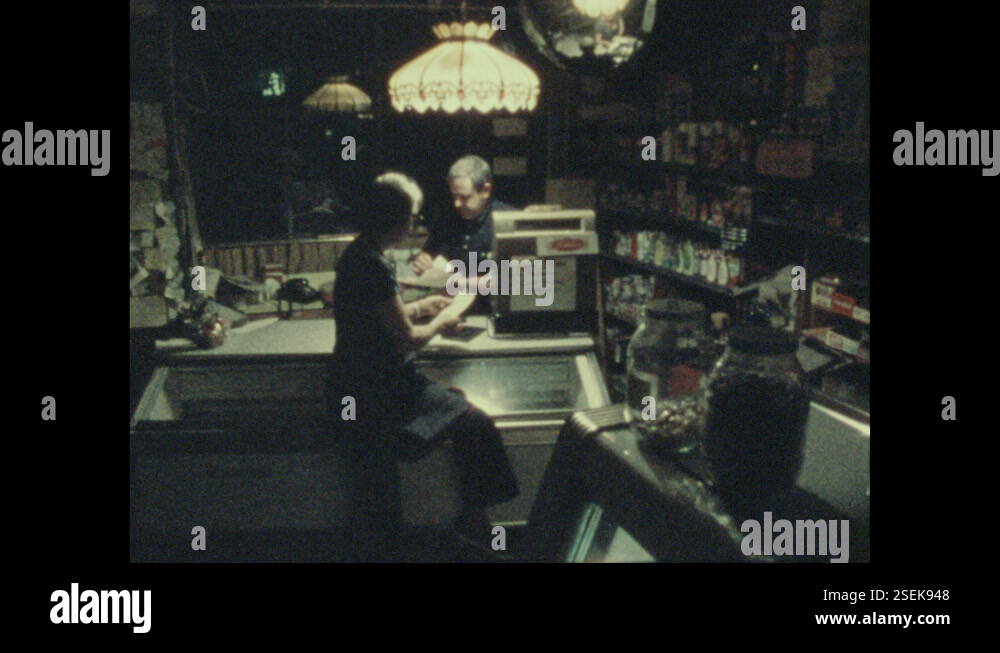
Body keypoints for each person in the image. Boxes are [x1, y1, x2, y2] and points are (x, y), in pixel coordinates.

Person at [327, 171, 519, 560]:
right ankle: (476, 520)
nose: (414, 224)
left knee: (379, 493)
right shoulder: (374, 265)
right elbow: (409, 339)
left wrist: (418, 307)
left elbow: (377, 315)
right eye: (411, 216)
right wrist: (440, 322)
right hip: (380, 390)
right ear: (394, 220)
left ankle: (425, 535)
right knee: (475, 420)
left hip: (355, 387)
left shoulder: (361, 254)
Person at [410, 155, 515, 275]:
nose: (457, 203)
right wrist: (424, 261)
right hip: (447, 292)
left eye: (464, 197)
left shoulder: (508, 220)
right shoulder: (447, 219)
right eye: (454, 196)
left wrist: (461, 282)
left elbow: (513, 279)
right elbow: (429, 254)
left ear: (486, 190)